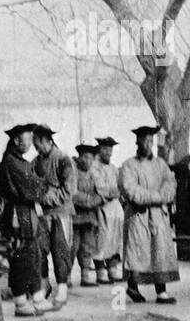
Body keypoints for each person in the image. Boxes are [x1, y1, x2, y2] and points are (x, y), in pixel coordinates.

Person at [0, 124, 56, 317]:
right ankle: (22, 301)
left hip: (25, 214)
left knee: (32, 255)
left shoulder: (15, 160)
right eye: (28, 140)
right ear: (16, 141)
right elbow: (32, 186)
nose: (31, 144)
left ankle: (37, 297)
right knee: (22, 258)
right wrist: (44, 184)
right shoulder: (13, 162)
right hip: (18, 215)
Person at [119, 126, 179, 304]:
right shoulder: (129, 165)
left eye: (150, 141)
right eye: (143, 140)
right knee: (137, 250)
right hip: (139, 215)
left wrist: (160, 197)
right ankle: (132, 287)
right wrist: (158, 197)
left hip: (158, 215)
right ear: (137, 142)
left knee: (160, 250)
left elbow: (170, 185)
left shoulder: (160, 164)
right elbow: (132, 191)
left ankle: (161, 291)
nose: (147, 144)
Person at [32, 125, 76, 308]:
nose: (36, 147)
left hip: (61, 213)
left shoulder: (63, 159)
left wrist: (47, 197)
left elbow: (69, 189)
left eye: (39, 143)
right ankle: (45, 284)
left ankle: (63, 288)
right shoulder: (35, 162)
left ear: (48, 141)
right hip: (42, 214)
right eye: (35, 144)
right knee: (40, 249)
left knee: (60, 251)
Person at [92, 136, 125, 283]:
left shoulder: (113, 168)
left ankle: (112, 268)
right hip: (103, 207)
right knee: (102, 238)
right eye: (105, 149)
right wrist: (114, 191)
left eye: (110, 149)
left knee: (116, 238)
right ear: (100, 149)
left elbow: (121, 186)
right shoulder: (95, 167)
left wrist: (117, 191)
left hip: (116, 208)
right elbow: (101, 188)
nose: (108, 152)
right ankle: (100, 270)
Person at [71, 144, 104, 286]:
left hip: (90, 217)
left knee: (88, 245)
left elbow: (102, 192)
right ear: (79, 158)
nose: (88, 161)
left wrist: (95, 200)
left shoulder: (94, 174)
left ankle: (85, 275)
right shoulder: (73, 172)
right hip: (75, 216)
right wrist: (89, 200)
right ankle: (65, 277)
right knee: (73, 246)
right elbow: (72, 193)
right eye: (85, 157)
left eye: (91, 158)